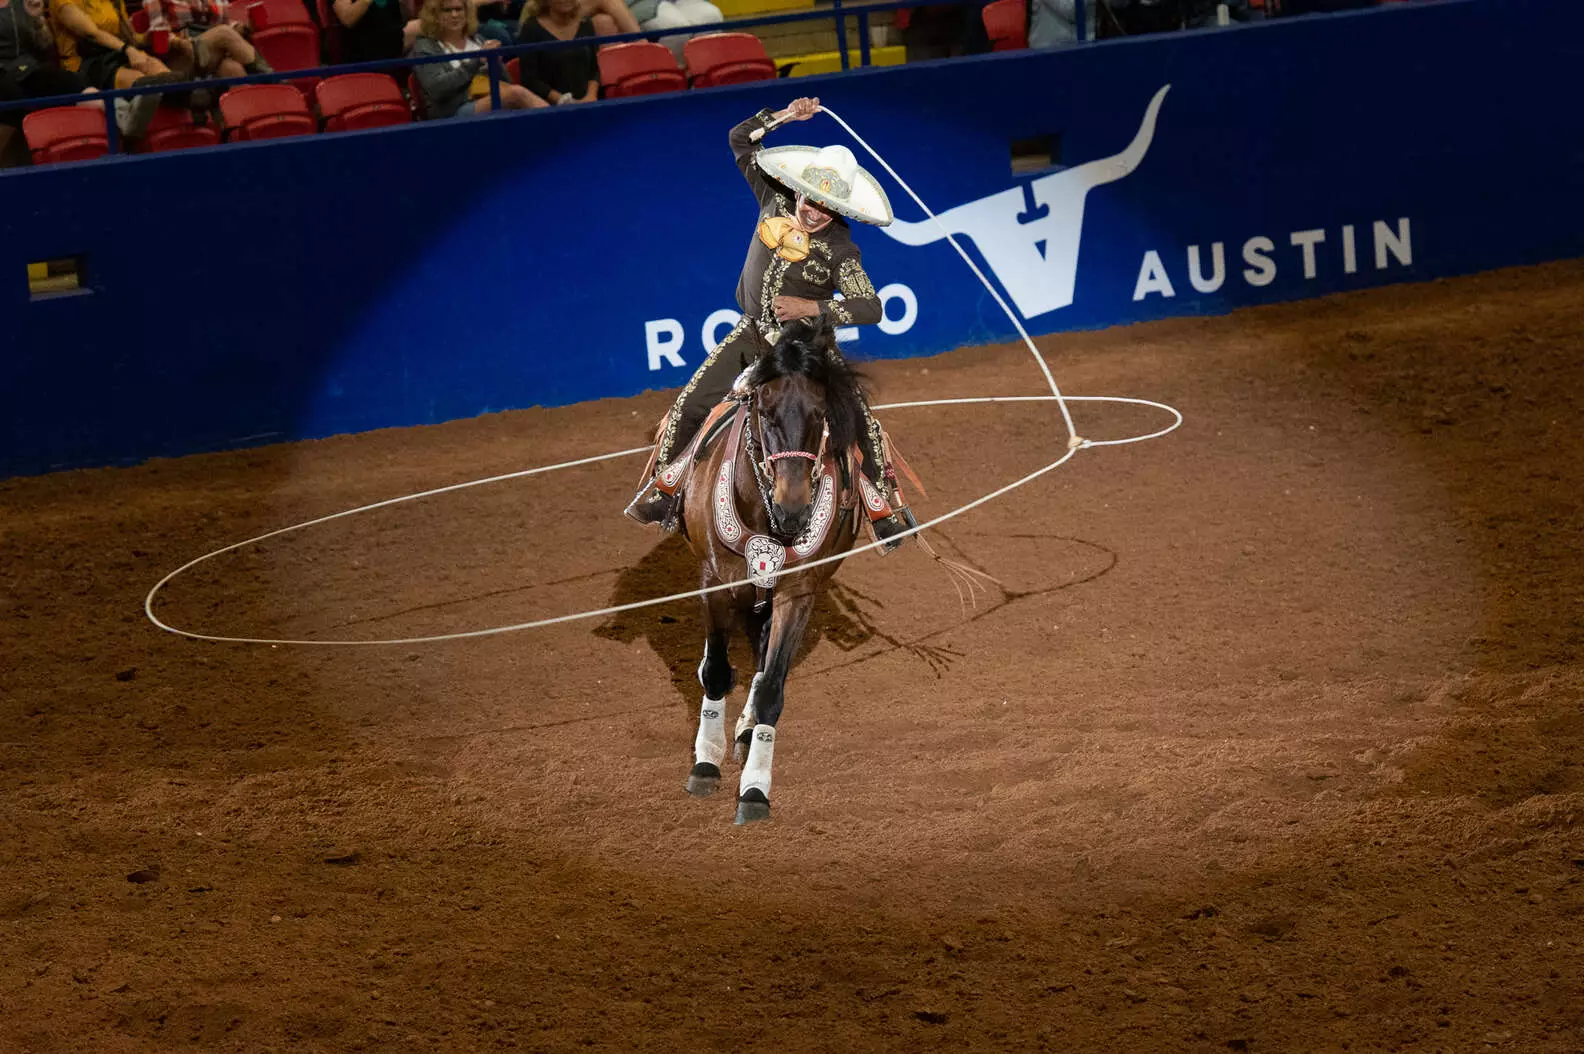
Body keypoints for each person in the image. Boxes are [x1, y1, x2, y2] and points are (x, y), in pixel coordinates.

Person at [624, 96, 918, 551]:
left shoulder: (842, 249)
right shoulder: (773, 198)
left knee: (858, 418)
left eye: (825, 204)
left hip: (807, 350)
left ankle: (884, 509)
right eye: (810, 196)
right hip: (751, 334)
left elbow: (870, 306)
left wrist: (815, 310)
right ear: (799, 187)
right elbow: (739, 139)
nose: (813, 210)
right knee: (691, 403)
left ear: (837, 206)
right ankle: (664, 491)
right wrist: (784, 116)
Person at [411, 0, 546, 115]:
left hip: (491, 98)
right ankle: (558, 123)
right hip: (452, 110)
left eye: (459, 9)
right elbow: (437, 89)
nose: (454, 15)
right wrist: (477, 60)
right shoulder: (425, 46)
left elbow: (506, 83)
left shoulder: (477, 40)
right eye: (446, 10)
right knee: (516, 94)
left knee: (516, 97)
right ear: (435, 15)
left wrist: (496, 64)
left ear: (467, 13)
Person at [514, 0, 595, 104]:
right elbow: (530, 80)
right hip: (548, 106)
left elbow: (594, 69)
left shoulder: (585, 23)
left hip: (588, 103)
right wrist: (564, 101)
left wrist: (591, 97)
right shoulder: (531, 28)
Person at [333, 0, 410, 64]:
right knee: (419, 28)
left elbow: (403, 18)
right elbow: (347, 18)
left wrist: (405, 3)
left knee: (420, 36)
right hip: (363, 47)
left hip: (393, 37)